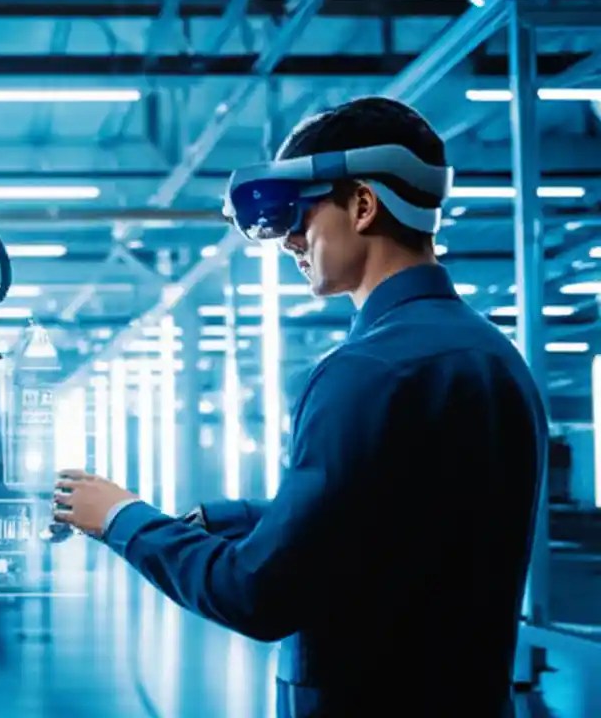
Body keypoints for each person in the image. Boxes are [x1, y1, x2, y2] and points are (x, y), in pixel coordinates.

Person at [52, 96, 548, 717]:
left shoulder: (364, 370)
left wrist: (122, 518)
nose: (289, 240)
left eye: (303, 215)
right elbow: (407, 516)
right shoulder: (492, 356)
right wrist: (236, 517)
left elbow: (258, 593)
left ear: (363, 205)